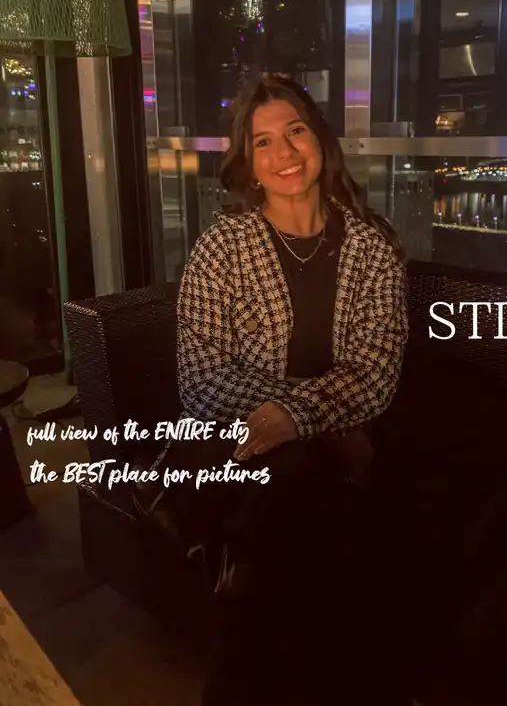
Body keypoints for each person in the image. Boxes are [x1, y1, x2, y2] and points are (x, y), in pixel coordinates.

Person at [174, 75, 409, 705]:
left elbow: (375, 370)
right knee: (309, 498)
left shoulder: (372, 248)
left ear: (319, 142)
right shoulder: (221, 249)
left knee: (299, 505)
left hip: (308, 465)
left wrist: (295, 416)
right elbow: (201, 378)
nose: (284, 152)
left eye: (295, 131)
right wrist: (312, 421)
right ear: (249, 165)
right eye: (263, 142)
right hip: (236, 445)